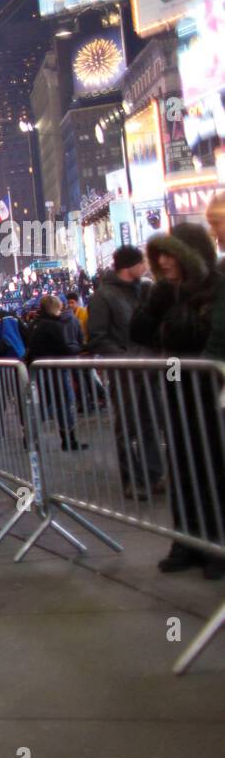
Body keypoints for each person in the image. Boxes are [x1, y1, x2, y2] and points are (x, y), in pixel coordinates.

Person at [130, 233, 224, 580]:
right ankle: (187, 540)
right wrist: (153, 302)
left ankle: (217, 543)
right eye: (160, 257)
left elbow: (214, 339)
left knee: (212, 467)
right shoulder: (165, 292)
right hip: (177, 388)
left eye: (170, 256)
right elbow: (139, 331)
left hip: (209, 389)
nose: (164, 263)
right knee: (182, 464)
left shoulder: (217, 288)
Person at [86, 245, 163, 499]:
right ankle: (133, 480)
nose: (146, 266)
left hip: (150, 367)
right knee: (128, 424)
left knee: (151, 420)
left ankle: (154, 474)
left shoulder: (147, 290)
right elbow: (97, 336)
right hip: (125, 369)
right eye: (141, 262)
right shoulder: (103, 296)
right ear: (128, 266)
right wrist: (124, 357)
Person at [26, 294, 88, 451]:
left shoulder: (35, 324)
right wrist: (78, 347)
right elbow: (65, 348)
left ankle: (29, 437)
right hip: (56, 370)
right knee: (64, 405)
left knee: (41, 405)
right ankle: (69, 440)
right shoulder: (54, 326)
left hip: (39, 370)